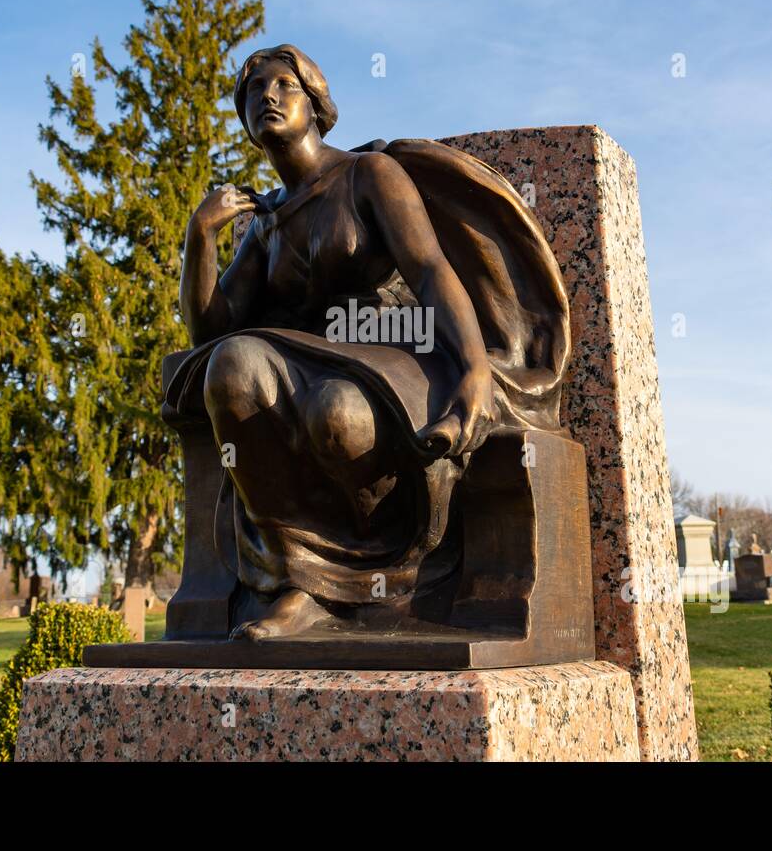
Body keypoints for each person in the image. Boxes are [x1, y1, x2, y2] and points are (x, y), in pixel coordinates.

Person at [174, 44, 569, 641]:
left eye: (284, 86)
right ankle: (294, 583)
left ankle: (385, 581)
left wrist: (473, 370)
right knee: (231, 366)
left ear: (315, 104)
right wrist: (200, 239)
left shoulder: (369, 175)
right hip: (310, 356)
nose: (268, 97)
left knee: (339, 413)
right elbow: (211, 332)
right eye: (255, 91)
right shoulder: (265, 223)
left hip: (393, 349)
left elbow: (430, 270)